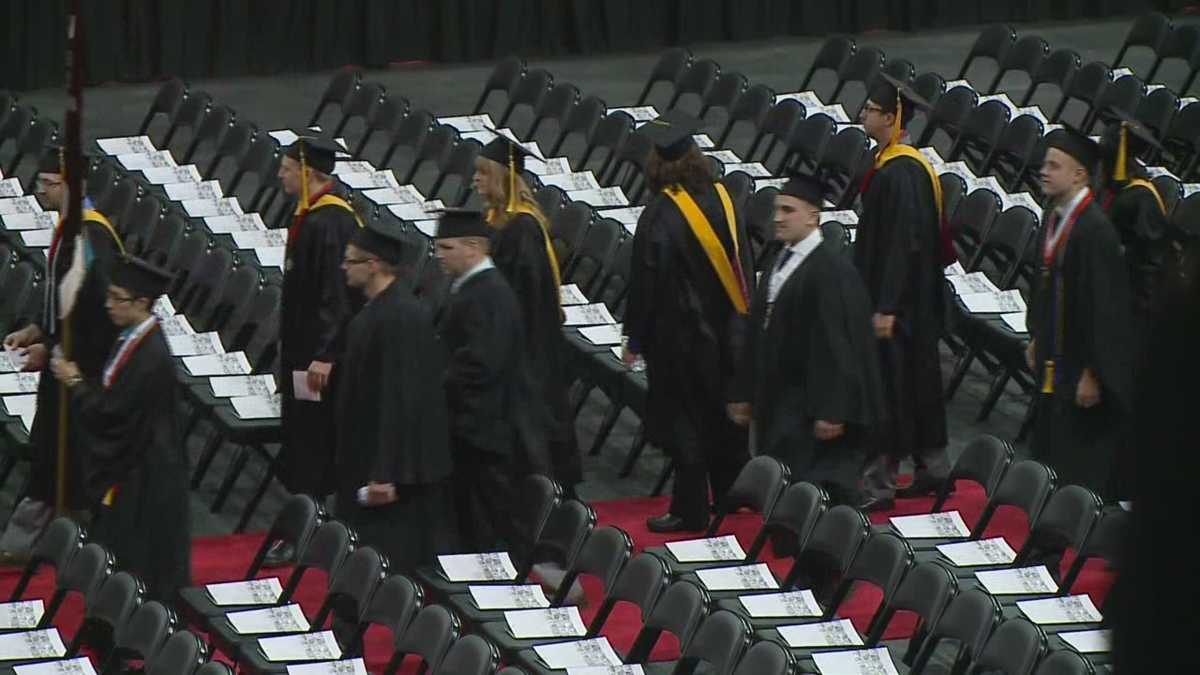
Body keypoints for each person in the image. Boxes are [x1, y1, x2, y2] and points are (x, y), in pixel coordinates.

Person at [622, 110, 752, 533]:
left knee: (687, 422)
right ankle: (733, 491)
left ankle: (690, 508)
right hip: (729, 329)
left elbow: (646, 280)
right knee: (723, 411)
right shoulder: (726, 199)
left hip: (680, 338)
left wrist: (636, 337)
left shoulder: (660, 213)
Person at [728, 174, 885, 508]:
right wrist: (744, 392)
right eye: (777, 209)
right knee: (784, 483)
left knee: (804, 489)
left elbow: (840, 346)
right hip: (779, 395)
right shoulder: (780, 260)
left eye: (789, 210)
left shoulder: (831, 271)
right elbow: (758, 328)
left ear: (813, 216)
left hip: (809, 401)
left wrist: (833, 409)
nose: (778, 217)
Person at [0, 146, 125, 563]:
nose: (40, 192)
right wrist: (38, 328)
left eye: (47, 184)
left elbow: (97, 316)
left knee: (60, 457)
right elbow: (62, 299)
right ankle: (55, 540)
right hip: (61, 365)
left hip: (82, 370)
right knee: (53, 453)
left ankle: (32, 544)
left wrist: (49, 350)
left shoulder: (93, 239)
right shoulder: (69, 231)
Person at [49, 256, 190, 603]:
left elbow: (113, 412)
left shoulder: (151, 356)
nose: (109, 305)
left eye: (117, 298)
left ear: (142, 302)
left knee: (134, 555)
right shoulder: (131, 338)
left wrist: (76, 382)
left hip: (145, 470)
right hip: (136, 458)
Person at [335, 223, 457, 572]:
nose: (344, 267)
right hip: (374, 454)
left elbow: (399, 398)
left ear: (373, 264)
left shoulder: (399, 317)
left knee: (389, 560)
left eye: (350, 261)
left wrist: (384, 472)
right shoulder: (385, 309)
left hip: (392, 466)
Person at [854, 74, 950, 510]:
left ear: (891, 118)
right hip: (908, 303)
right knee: (915, 386)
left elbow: (903, 242)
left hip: (902, 307)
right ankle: (933, 469)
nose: (862, 115)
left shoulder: (903, 172)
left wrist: (887, 305)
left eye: (871, 110)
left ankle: (881, 483)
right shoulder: (891, 163)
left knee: (893, 389)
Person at [1026, 127, 1133, 497]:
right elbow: (1043, 285)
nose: (1044, 171)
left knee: (1080, 452)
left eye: (1054, 166)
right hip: (1056, 351)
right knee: (1053, 442)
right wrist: (1036, 334)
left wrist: (1094, 372)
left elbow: (1106, 309)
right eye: (1044, 164)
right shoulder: (1053, 216)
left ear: (1079, 174)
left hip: (1082, 361)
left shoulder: (1096, 230)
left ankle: (1074, 522)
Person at [271, 136, 362, 564]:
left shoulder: (330, 222)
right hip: (303, 352)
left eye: (287, 168)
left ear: (308, 173)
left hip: (317, 360)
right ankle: (307, 523)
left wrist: (325, 355)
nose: (280, 175)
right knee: (303, 436)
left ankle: (309, 530)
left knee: (312, 439)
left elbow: (335, 297)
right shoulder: (310, 215)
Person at [473, 131, 579, 492]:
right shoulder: (502, 220)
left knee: (534, 434)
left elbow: (529, 298)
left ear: (504, 177)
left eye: (484, 173)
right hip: (516, 343)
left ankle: (550, 502)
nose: (475, 179)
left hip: (529, 348)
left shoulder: (522, 229)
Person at [434, 208, 528, 551]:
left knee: (492, 512)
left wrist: (435, 383)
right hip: (471, 421)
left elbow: (481, 363)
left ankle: (514, 574)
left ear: (474, 246)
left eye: (446, 248)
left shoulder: (489, 295)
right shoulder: (470, 288)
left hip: (483, 424)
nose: (438, 256)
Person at [1097, 111, 1171, 317]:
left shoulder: (1143, 198)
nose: (1099, 168)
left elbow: (1151, 262)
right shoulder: (1111, 190)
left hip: (1132, 302)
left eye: (1104, 162)